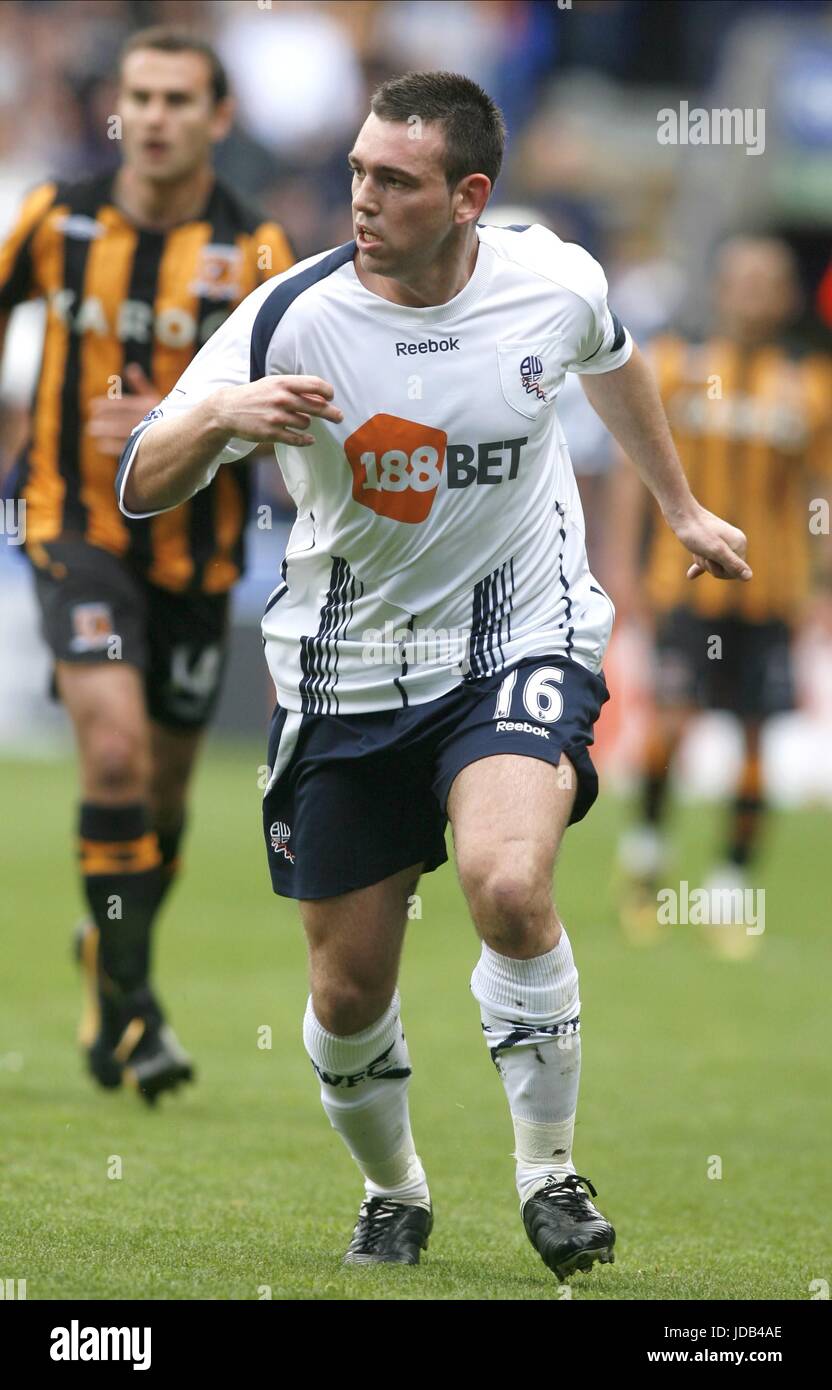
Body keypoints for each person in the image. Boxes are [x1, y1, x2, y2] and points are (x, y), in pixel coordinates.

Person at [116, 72, 749, 1276]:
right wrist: (224, 416)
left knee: (507, 881)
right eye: (357, 170)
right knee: (348, 995)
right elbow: (139, 478)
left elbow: (613, 359)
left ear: (468, 196)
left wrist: (677, 504)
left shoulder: (551, 281)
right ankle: (393, 1189)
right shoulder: (288, 316)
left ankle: (550, 1173)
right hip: (346, 674)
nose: (361, 196)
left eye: (393, 180)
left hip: (523, 634)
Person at [0, 27, 294, 1102]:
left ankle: (111, 955)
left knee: (163, 800)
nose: (156, 116)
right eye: (140, 95)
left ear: (218, 118)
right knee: (114, 756)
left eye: (179, 98)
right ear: (116, 104)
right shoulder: (53, 215)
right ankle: (134, 1011)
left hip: (198, 550)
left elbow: (293, 415)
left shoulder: (259, 249)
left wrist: (188, 425)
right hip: (69, 524)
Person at [612, 237, 832, 956]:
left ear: (786, 298)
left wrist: (822, 574)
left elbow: (820, 492)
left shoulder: (810, 385)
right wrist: (619, 560)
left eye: (768, 284)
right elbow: (630, 474)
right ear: (720, 289)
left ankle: (729, 891)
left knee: (758, 739)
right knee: (671, 725)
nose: (753, 296)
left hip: (771, 595)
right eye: (741, 282)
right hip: (682, 587)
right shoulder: (674, 365)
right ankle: (645, 865)